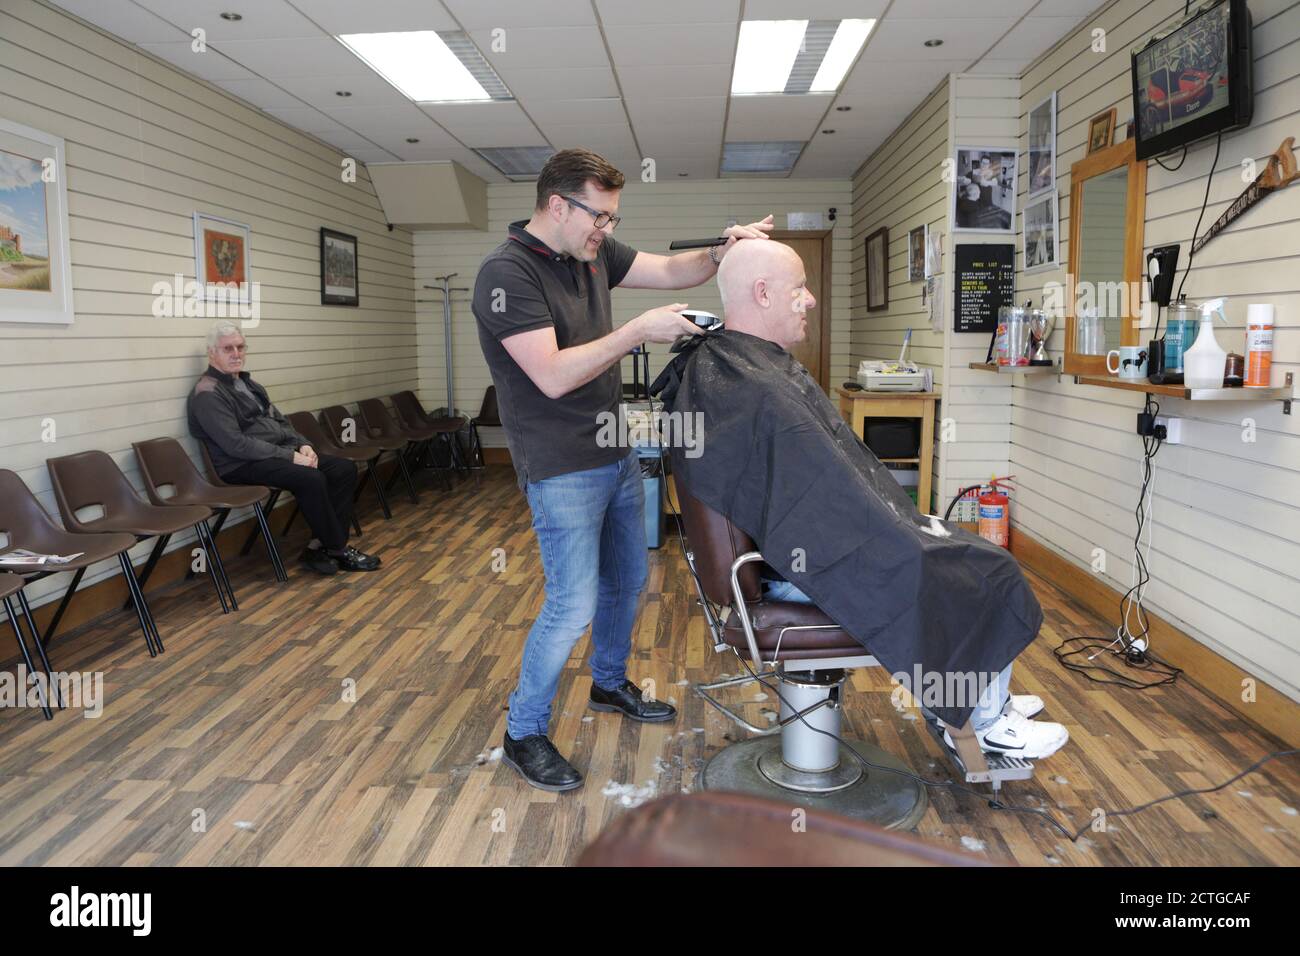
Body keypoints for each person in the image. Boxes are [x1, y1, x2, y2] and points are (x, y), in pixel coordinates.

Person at [662, 241, 1068, 760]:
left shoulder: (736, 372)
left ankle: (981, 699)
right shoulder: (754, 385)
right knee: (978, 566)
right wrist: (897, 533)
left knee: (959, 554)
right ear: (762, 293)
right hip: (794, 569)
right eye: (799, 287)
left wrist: (898, 526)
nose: (810, 299)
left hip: (789, 556)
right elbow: (814, 500)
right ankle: (984, 722)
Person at [472, 147, 774, 791]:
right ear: (558, 206)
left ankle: (608, 684)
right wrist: (638, 331)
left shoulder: (590, 252)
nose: (606, 230)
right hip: (560, 466)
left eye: (612, 219)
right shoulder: (506, 274)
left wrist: (723, 252)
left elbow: (667, 268)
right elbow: (552, 375)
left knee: (627, 581)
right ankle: (523, 731)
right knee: (572, 603)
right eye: (600, 217)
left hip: (614, 451)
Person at [187, 321, 380, 576]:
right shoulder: (208, 393)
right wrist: (291, 456)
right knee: (310, 478)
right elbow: (236, 444)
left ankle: (318, 547)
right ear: (212, 353)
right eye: (227, 349)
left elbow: (282, 422)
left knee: (343, 469)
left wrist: (304, 445)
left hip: (274, 454)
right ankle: (338, 548)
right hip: (240, 465)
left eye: (240, 347)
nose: (236, 354)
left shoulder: (249, 385)